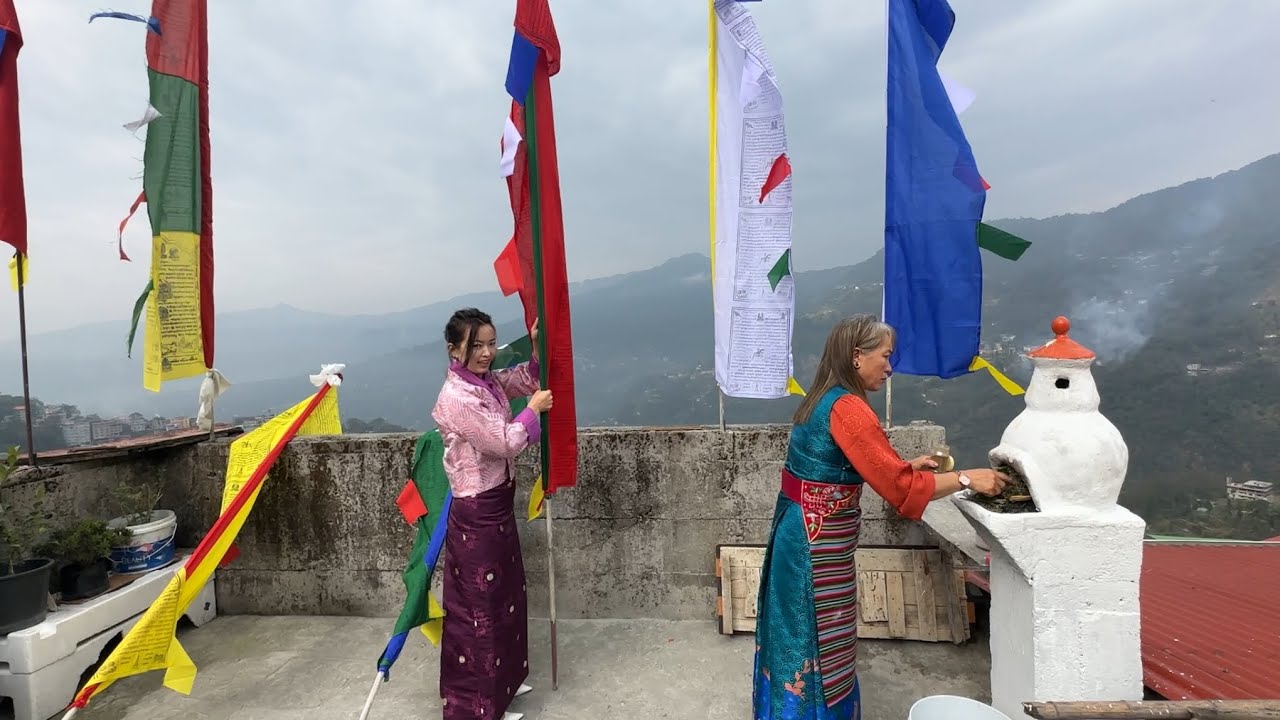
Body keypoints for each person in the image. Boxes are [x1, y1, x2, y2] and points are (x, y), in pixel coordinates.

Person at [752, 315, 1008, 720]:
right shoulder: (850, 409)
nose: (890, 367)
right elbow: (900, 488)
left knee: (796, 637)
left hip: (798, 533)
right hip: (815, 550)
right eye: (885, 356)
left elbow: (844, 467)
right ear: (857, 357)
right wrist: (965, 478)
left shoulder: (824, 398)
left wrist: (906, 465)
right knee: (815, 641)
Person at [432, 308, 553, 720]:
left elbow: (521, 380)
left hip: (497, 505)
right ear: (453, 350)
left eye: (489, 343)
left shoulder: (483, 383)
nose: (485, 353)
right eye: (475, 346)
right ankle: (478, 706)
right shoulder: (457, 398)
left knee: (506, 597)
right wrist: (533, 411)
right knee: (479, 610)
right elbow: (503, 442)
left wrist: (536, 350)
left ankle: (504, 684)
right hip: (476, 512)